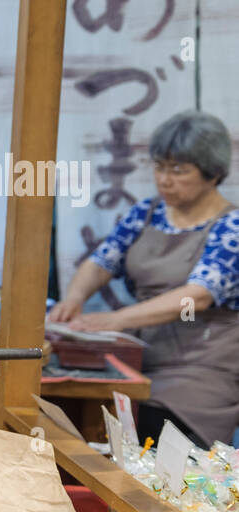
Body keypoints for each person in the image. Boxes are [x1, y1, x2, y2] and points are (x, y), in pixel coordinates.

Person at [50, 111, 239, 446]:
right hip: (138, 358)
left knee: (150, 437)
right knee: (74, 414)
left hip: (200, 371)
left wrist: (114, 320)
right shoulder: (146, 213)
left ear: (213, 174)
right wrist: (74, 298)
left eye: (178, 170)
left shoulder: (231, 227)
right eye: (159, 167)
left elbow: (196, 297)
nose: (164, 179)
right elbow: (100, 262)